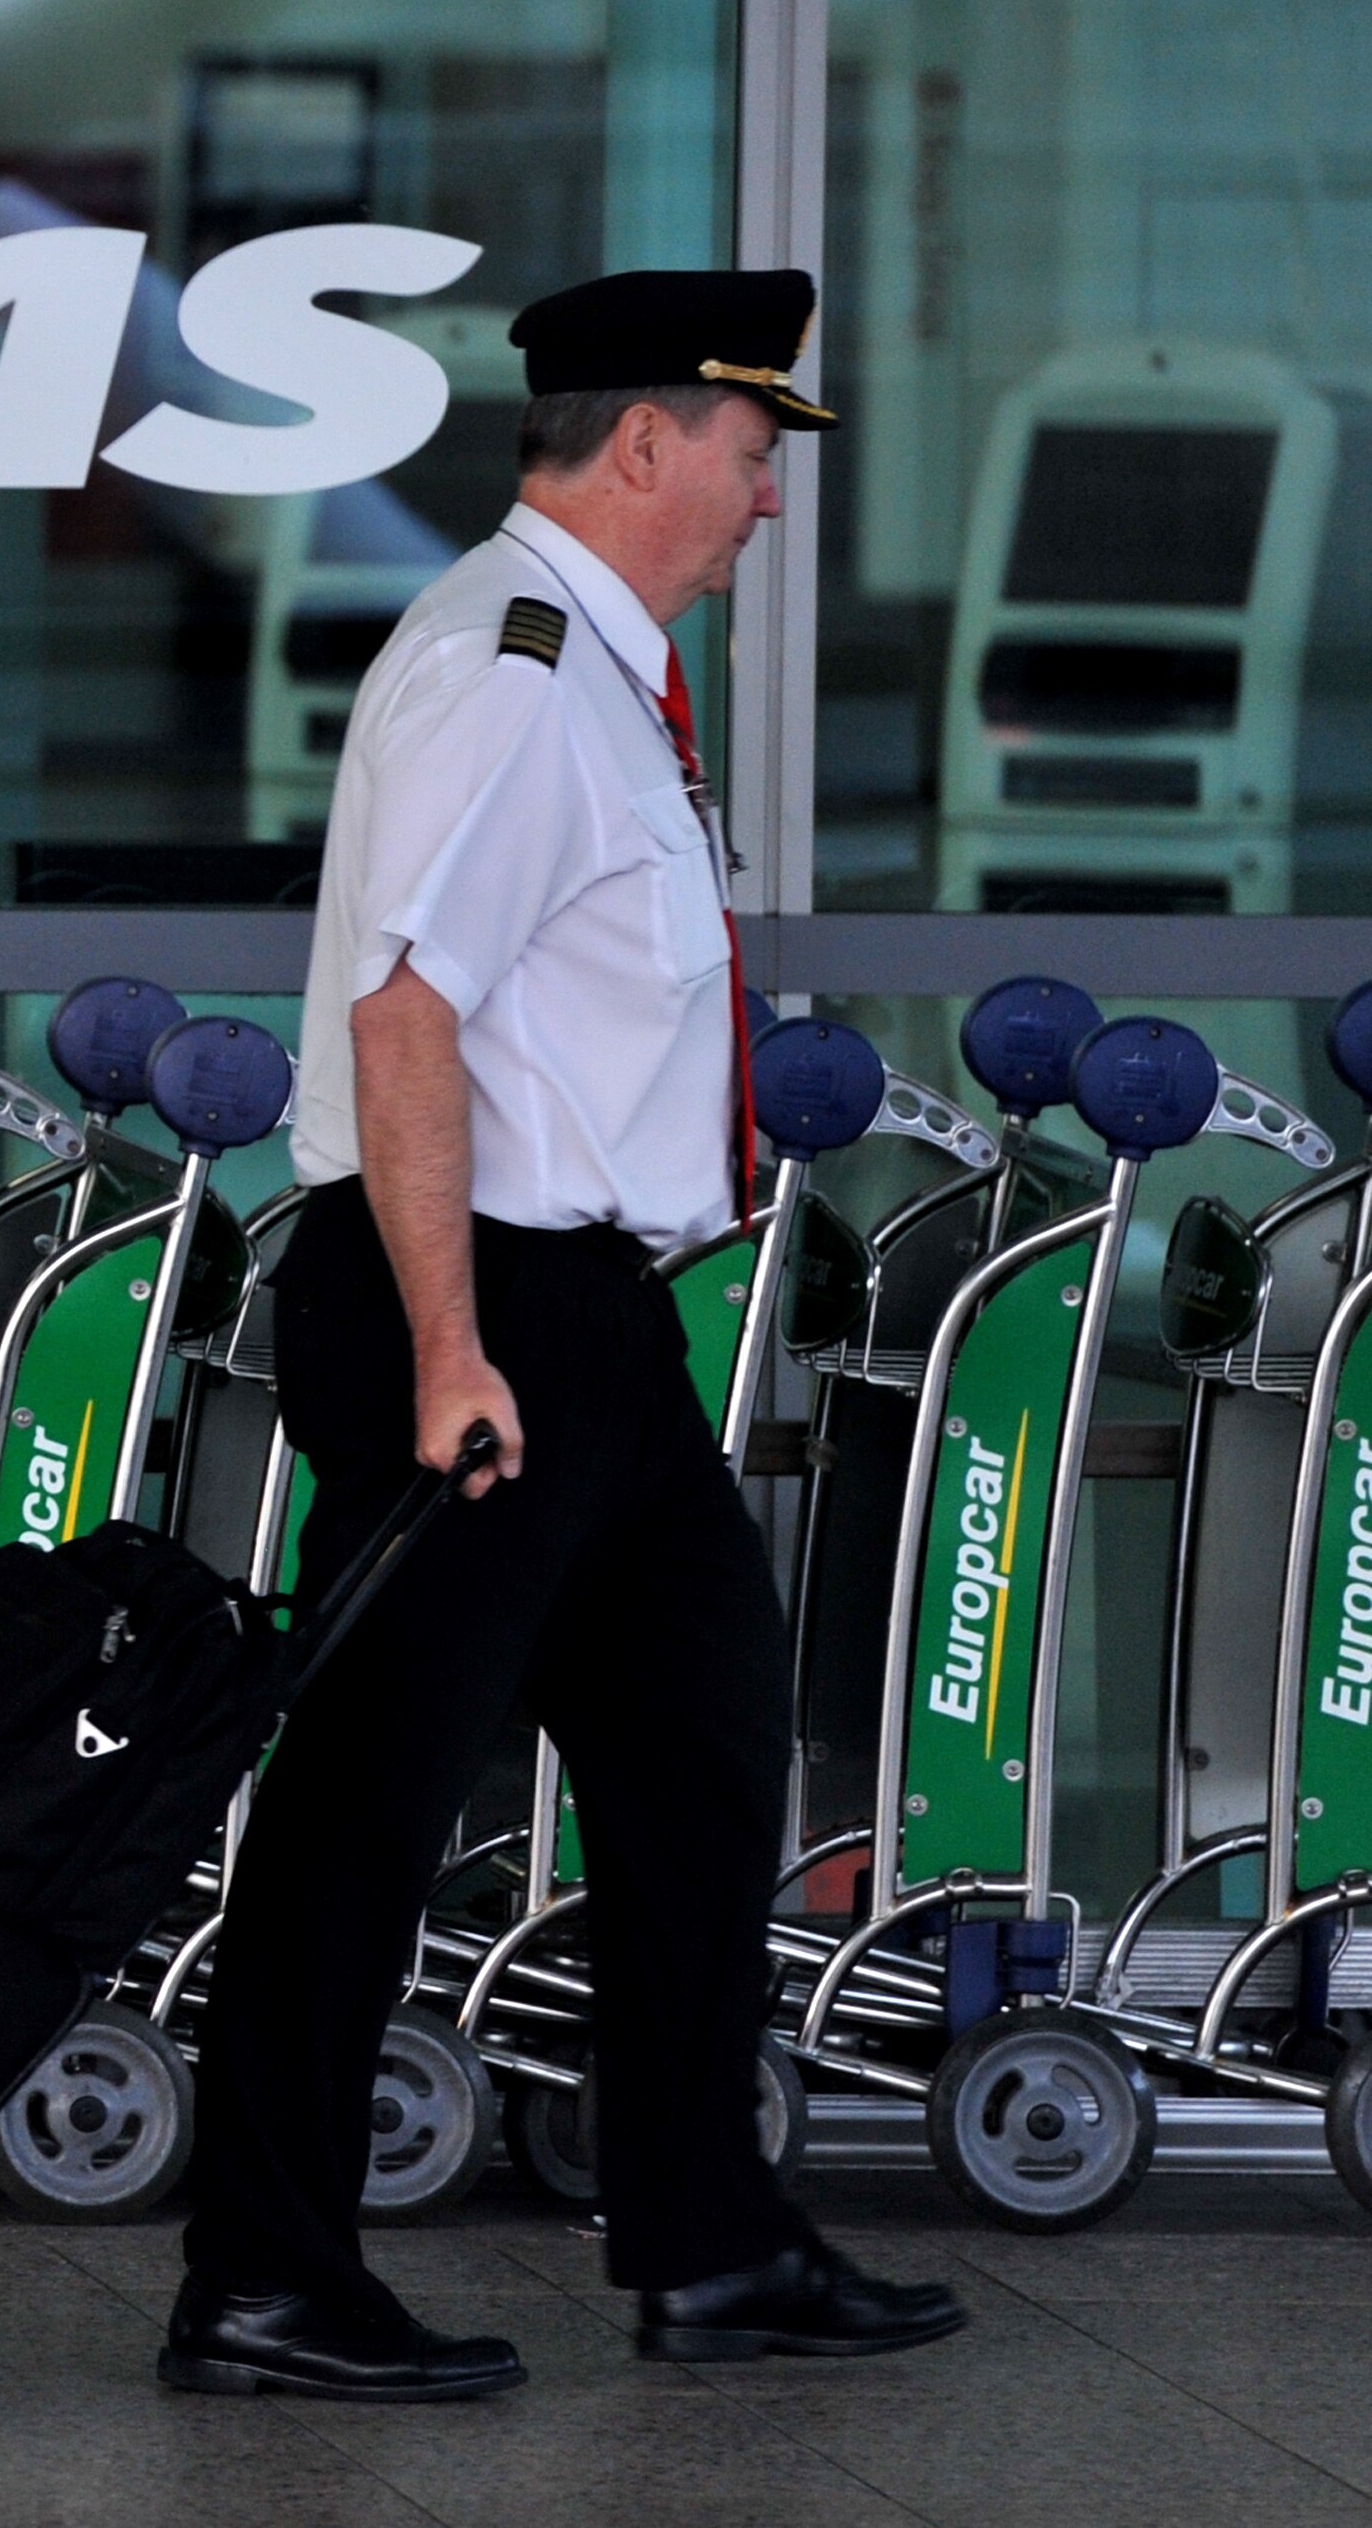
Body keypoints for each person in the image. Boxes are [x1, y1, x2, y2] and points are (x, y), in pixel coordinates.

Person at [159, 269, 969, 2400]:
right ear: (644, 444)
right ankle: (259, 2271)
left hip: (581, 1315)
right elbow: (401, 1013)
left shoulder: (586, 670)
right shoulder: (512, 671)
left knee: (701, 1763)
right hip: (478, 1305)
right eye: (751, 447)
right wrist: (448, 1350)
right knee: (368, 1798)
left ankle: (705, 2234)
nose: (767, 496)